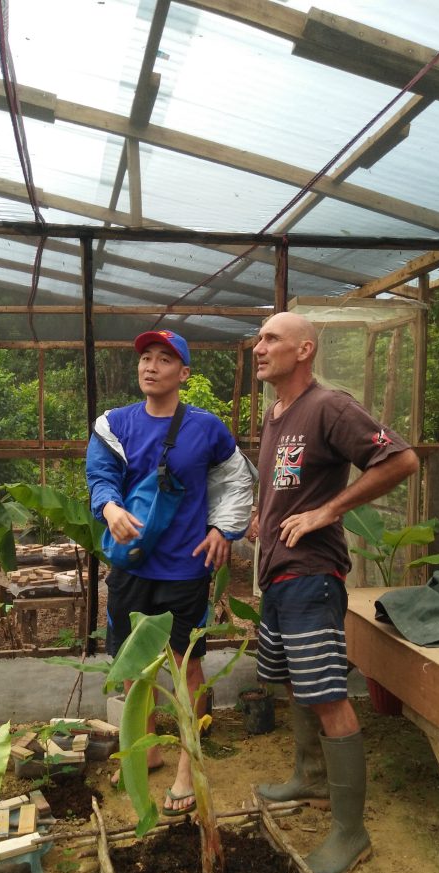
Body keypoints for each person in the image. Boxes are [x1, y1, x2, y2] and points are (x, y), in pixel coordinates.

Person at [250, 311, 419, 873]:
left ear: (305, 350)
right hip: (278, 570)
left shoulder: (329, 405)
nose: (259, 347)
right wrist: (262, 516)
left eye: (271, 338)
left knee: (328, 693)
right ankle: (312, 780)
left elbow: (401, 459)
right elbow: (291, 483)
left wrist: (328, 511)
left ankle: (352, 833)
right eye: (259, 338)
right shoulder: (277, 415)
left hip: (312, 574)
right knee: (298, 679)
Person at [86, 329, 254, 815]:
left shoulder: (207, 427)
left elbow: (235, 478)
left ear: (183, 374)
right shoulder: (114, 423)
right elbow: (100, 477)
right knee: (133, 667)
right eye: (145, 357)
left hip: (186, 567)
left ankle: (187, 764)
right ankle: (149, 753)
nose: (151, 366)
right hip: (131, 566)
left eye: (165, 359)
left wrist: (224, 528)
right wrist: (110, 507)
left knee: (187, 667)